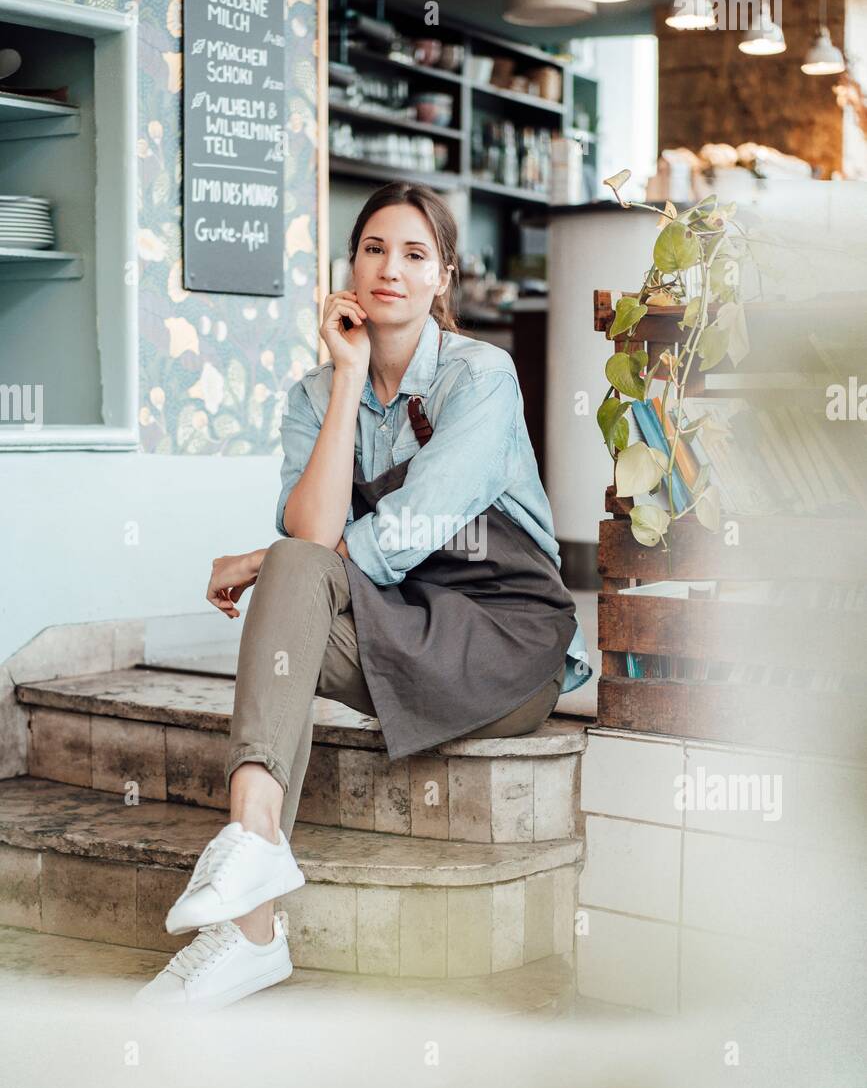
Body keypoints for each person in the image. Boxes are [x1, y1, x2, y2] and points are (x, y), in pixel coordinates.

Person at [135, 181, 592, 1010]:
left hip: (502, 640)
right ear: (350, 265)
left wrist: (270, 563)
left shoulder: (480, 376)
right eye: (374, 249)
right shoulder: (311, 397)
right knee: (292, 567)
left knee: (288, 567)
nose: (390, 269)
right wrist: (347, 377)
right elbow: (311, 537)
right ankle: (252, 901)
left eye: (415, 255)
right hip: (406, 625)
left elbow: (413, 528)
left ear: (443, 277)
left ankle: (249, 877)